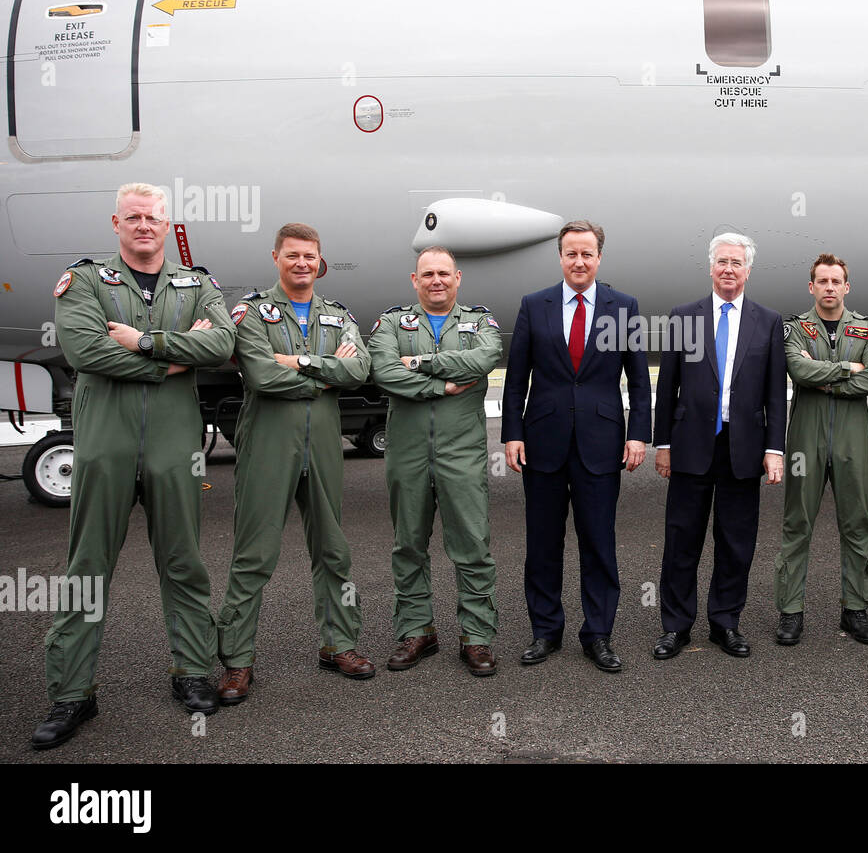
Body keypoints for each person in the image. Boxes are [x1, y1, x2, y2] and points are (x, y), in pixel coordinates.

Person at [33, 183, 236, 750]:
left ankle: (192, 671)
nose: (144, 226)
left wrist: (143, 343)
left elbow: (222, 345)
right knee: (87, 567)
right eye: (134, 217)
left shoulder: (196, 284)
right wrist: (172, 360)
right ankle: (72, 692)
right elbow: (83, 351)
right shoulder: (87, 281)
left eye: (153, 218)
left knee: (184, 563)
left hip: (174, 448)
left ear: (168, 225)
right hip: (105, 446)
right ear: (116, 223)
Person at [215, 223, 374, 705]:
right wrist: (324, 371)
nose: (301, 263)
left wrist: (297, 362)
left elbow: (358, 369)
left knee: (333, 549)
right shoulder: (251, 312)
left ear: (319, 260)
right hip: (268, 441)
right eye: (292, 255)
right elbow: (261, 375)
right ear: (276, 257)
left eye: (309, 256)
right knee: (254, 554)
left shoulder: (337, 314)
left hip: (323, 442)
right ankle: (237, 661)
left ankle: (339, 644)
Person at [502, 221, 651, 673]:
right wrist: (512, 432)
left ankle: (598, 634)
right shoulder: (534, 306)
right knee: (542, 545)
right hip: (543, 443)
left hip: (602, 444)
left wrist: (637, 433)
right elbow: (516, 379)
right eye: (571, 254)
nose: (579, 262)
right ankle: (545, 631)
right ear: (561, 257)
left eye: (587, 254)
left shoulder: (624, 307)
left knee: (598, 544)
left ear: (599, 257)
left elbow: (640, 381)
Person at [369, 246, 503, 677]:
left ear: (458, 277)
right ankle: (416, 631)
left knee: (472, 546)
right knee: (408, 545)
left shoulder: (479, 321)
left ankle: (477, 637)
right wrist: (441, 386)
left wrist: (423, 364)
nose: (436, 280)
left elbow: (485, 359)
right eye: (427, 274)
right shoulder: (391, 322)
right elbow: (384, 371)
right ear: (415, 280)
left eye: (444, 273)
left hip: (461, 454)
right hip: (407, 455)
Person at [652, 232, 787, 660]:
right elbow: (667, 386)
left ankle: (725, 622)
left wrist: (774, 449)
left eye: (737, 263)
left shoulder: (768, 322)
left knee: (735, 542)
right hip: (691, 444)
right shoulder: (683, 316)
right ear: (711, 267)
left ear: (748, 270)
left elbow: (774, 393)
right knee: (681, 541)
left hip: (743, 448)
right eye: (722, 262)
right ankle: (676, 626)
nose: (729, 269)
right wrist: (663, 444)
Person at [773, 253, 868, 646]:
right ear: (811, 286)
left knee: (857, 523)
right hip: (806, 437)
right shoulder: (795, 328)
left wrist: (827, 377)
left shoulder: (867, 328)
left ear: (846, 286)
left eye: (835, 282)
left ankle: (855, 608)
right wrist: (846, 369)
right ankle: (790, 612)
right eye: (822, 282)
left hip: (852, 438)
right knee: (797, 523)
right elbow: (798, 370)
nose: (829, 288)